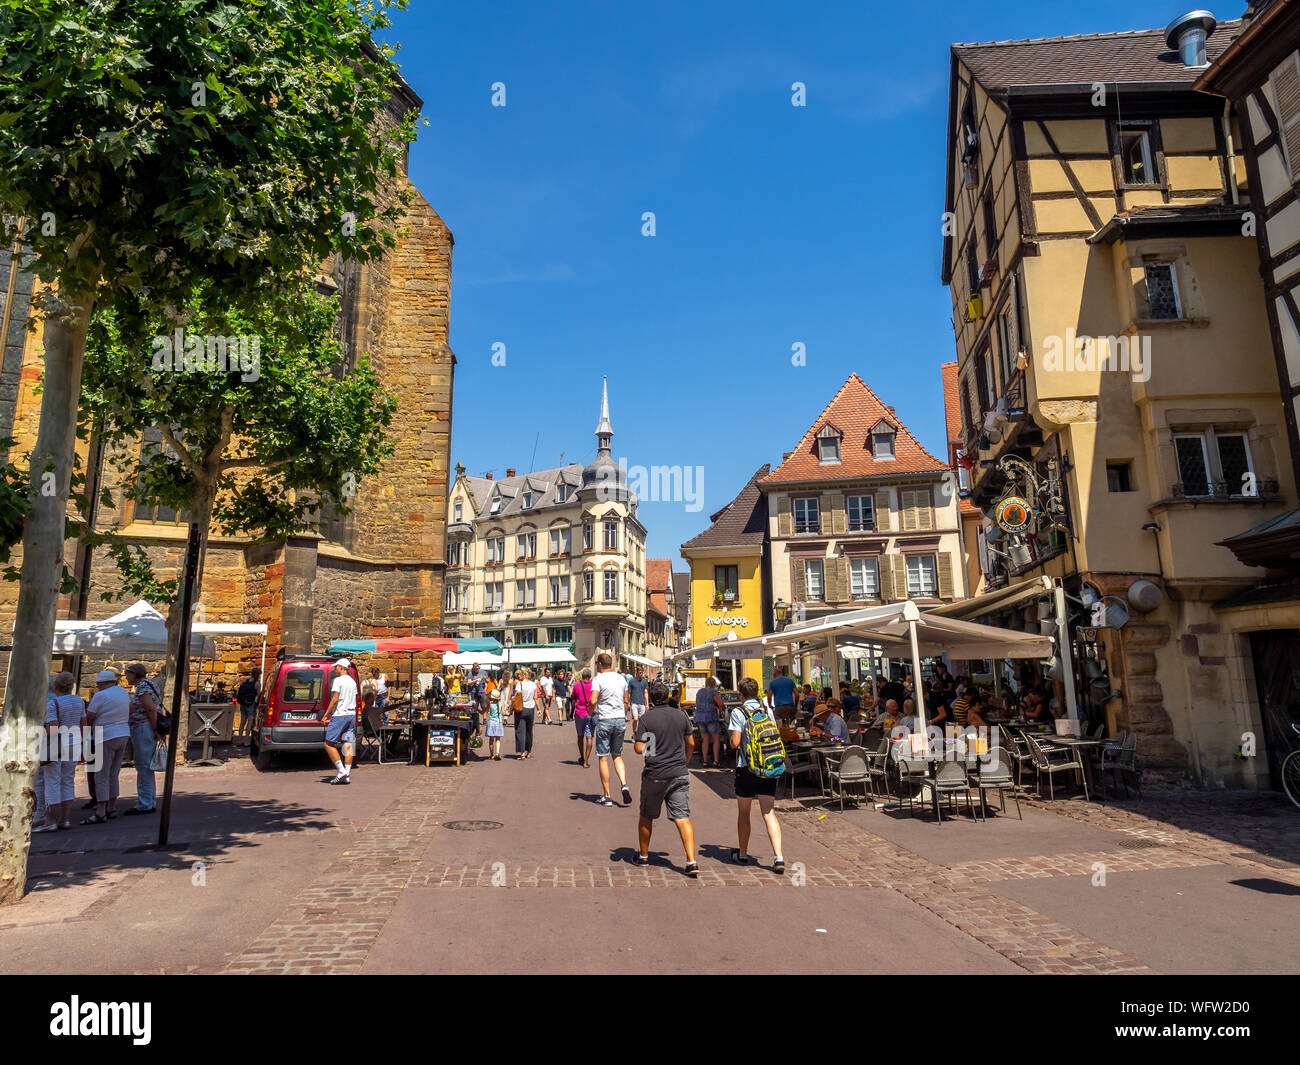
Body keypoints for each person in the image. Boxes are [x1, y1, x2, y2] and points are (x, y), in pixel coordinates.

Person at [633, 680, 697, 878]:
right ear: (668, 697)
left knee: (647, 815)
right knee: (682, 817)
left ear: (651, 699)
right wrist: (685, 761)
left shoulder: (647, 719)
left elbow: (638, 748)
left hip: (655, 774)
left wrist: (652, 749)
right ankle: (691, 860)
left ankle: (644, 856)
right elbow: (691, 743)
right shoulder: (681, 715)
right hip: (679, 772)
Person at [728, 677, 784, 873]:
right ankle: (778, 857)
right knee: (769, 812)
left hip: (747, 767)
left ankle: (743, 854)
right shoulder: (767, 710)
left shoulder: (738, 712)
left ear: (740, 694)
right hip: (768, 767)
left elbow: (735, 743)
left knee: (744, 812)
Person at [34, 672, 85, 833]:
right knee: (68, 781)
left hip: (57, 746)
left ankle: (50, 821)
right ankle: (65, 819)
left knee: (52, 782)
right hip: (74, 744)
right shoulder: (79, 701)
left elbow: (53, 728)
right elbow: (83, 724)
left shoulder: (53, 703)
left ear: (55, 687)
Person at [82, 669, 131, 824]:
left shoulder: (100, 695)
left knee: (101, 774)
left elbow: (89, 716)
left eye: (98, 684)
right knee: (113, 772)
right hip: (123, 733)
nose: (98, 687)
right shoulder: (123, 693)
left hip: (105, 734)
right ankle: (112, 807)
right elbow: (131, 709)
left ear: (103, 683)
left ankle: (101, 810)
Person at [591, 653, 632, 807]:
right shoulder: (621, 679)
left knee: (603, 758)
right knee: (617, 755)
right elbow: (626, 700)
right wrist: (624, 713)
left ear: (600, 664)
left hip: (605, 719)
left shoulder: (598, 679)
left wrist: (590, 713)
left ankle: (607, 796)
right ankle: (624, 784)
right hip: (620, 719)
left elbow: (593, 700)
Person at [123, 663, 161, 815]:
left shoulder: (143, 687)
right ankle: (149, 801)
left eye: (128, 674)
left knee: (143, 766)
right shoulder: (149, 684)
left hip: (143, 728)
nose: (126, 677)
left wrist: (155, 728)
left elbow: (150, 709)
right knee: (145, 766)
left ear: (135, 674)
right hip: (145, 727)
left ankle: (145, 803)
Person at [322, 659, 359, 785]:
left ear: (342, 667)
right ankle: (347, 774)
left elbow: (335, 699)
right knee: (348, 744)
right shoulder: (353, 682)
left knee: (328, 744)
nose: (334, 669)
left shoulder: (338, 681)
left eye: (336, 667)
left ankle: (341, 770)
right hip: (351, 715)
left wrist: (326, 714)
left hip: (341, 715)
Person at [508, 667, 538, 759]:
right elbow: (536, 697)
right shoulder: (533, 684)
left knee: (520, 730)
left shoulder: (519, 684)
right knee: (529, 731)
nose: (517, 677)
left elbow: (516, 697)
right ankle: (528, 751)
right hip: (531, 708)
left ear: (523, 675)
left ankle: (522, 753)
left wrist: (510, 709)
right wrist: (539, 709)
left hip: (521, 708)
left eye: (518, 675)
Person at [693, 675, 722, 768]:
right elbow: (720, 703)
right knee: (716, 739)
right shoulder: (714, 692)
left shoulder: (699, 692)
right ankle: (716, 761)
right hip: (711, 717)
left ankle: (705, 761)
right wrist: (722, 708)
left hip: (700, 717)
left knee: (705, 740)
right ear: (713, 684)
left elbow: (697, 704)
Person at [571, 668, 595, 767]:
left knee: (580, 736)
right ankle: (586, 761)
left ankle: (582, 757)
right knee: (589, 738)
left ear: (582, 676)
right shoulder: (593, 685)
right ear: (590, 677)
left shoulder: (577, 685)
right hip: (590, 713)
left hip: (579, 713)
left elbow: (573, 696)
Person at [235, 667, 261, 744]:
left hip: (243, 703)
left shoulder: (245, 681)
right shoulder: (257, 683)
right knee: (249, 723)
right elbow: (259, 695)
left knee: (242, 722)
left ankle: (239, 740)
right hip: (251, 704)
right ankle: (246, 741)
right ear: (258, 675)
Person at [466, 662, 488, 740]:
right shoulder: (470, 673)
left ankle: (484, 719)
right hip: (474, 692)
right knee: (474, 707)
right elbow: (468, 682)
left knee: (484, 706)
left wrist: (485, 679)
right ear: (473, 668)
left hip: (482, 692)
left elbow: (488, 681)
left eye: (478, 668)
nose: (477, 670)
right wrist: (475, 680)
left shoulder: (483, 672)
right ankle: (475, 719)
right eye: (475, 669)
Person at [484, 689, 505, 760]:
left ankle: (491, 754)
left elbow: (485, 712)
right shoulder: (501, 704)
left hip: (491, 722)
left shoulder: (490, 704)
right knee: (498, 739)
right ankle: (497, 753)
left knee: (491, 740)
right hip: (499, 722)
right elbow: (504, 713)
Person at [627, 666, 649, 735]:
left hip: (642, 703)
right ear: (636, 672)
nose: (641, 674)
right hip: (634, 702)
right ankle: (634, 732)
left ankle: (639, 733)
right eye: (640, 672)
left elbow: (646, 692)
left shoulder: (644, 681)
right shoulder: (631, 681)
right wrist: (628, 703)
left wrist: (647, 704)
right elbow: (629, 693)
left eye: (642, 672)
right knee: (635, 719)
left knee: (641, 720)